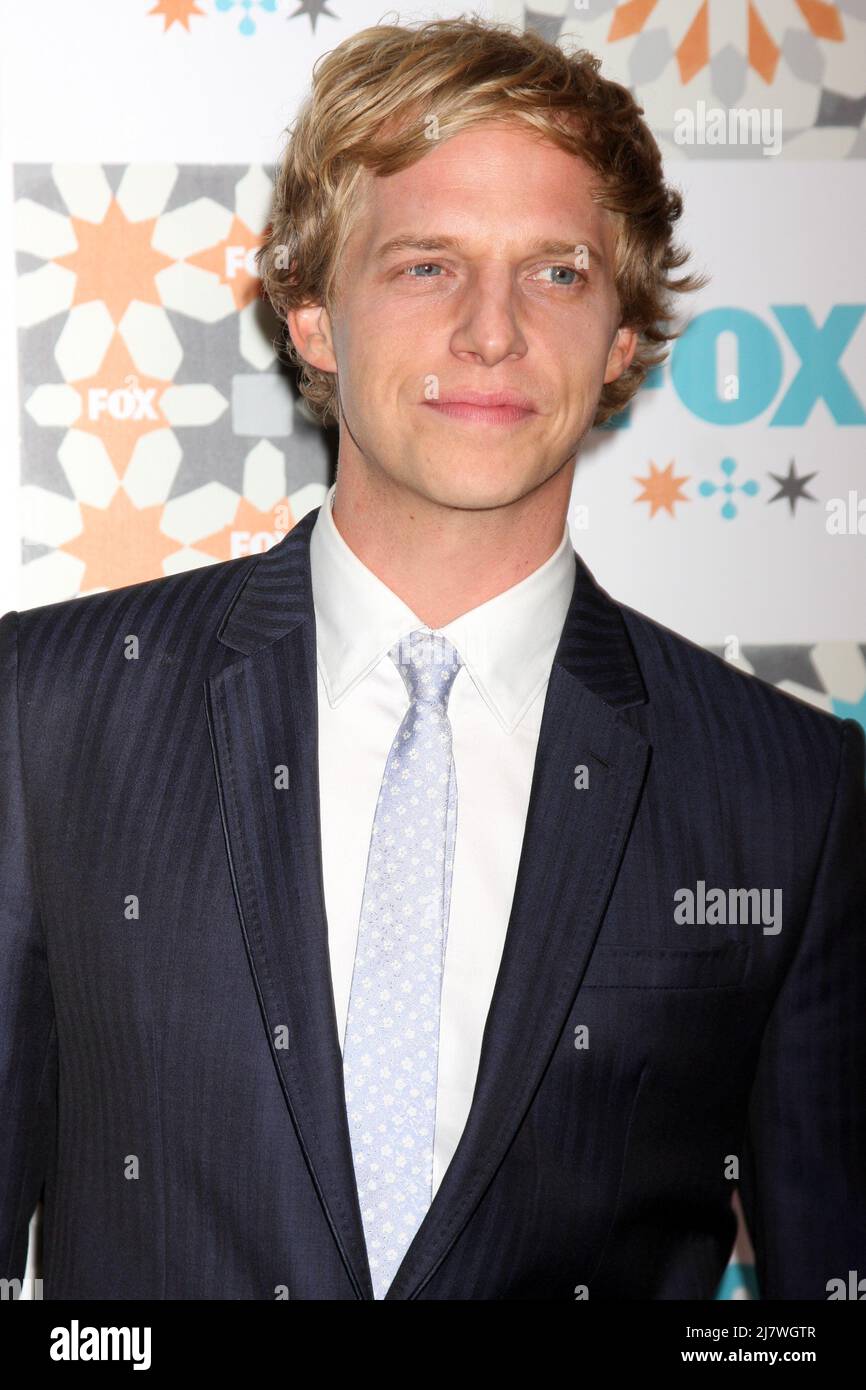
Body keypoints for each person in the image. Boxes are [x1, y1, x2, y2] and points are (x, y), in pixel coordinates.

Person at [2, 16, 864, 1302]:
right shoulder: (50, 713)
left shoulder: (789, 791)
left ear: (622, 336)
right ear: (311, 317)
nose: (490, 332)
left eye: (557, 274)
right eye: (423, 266)